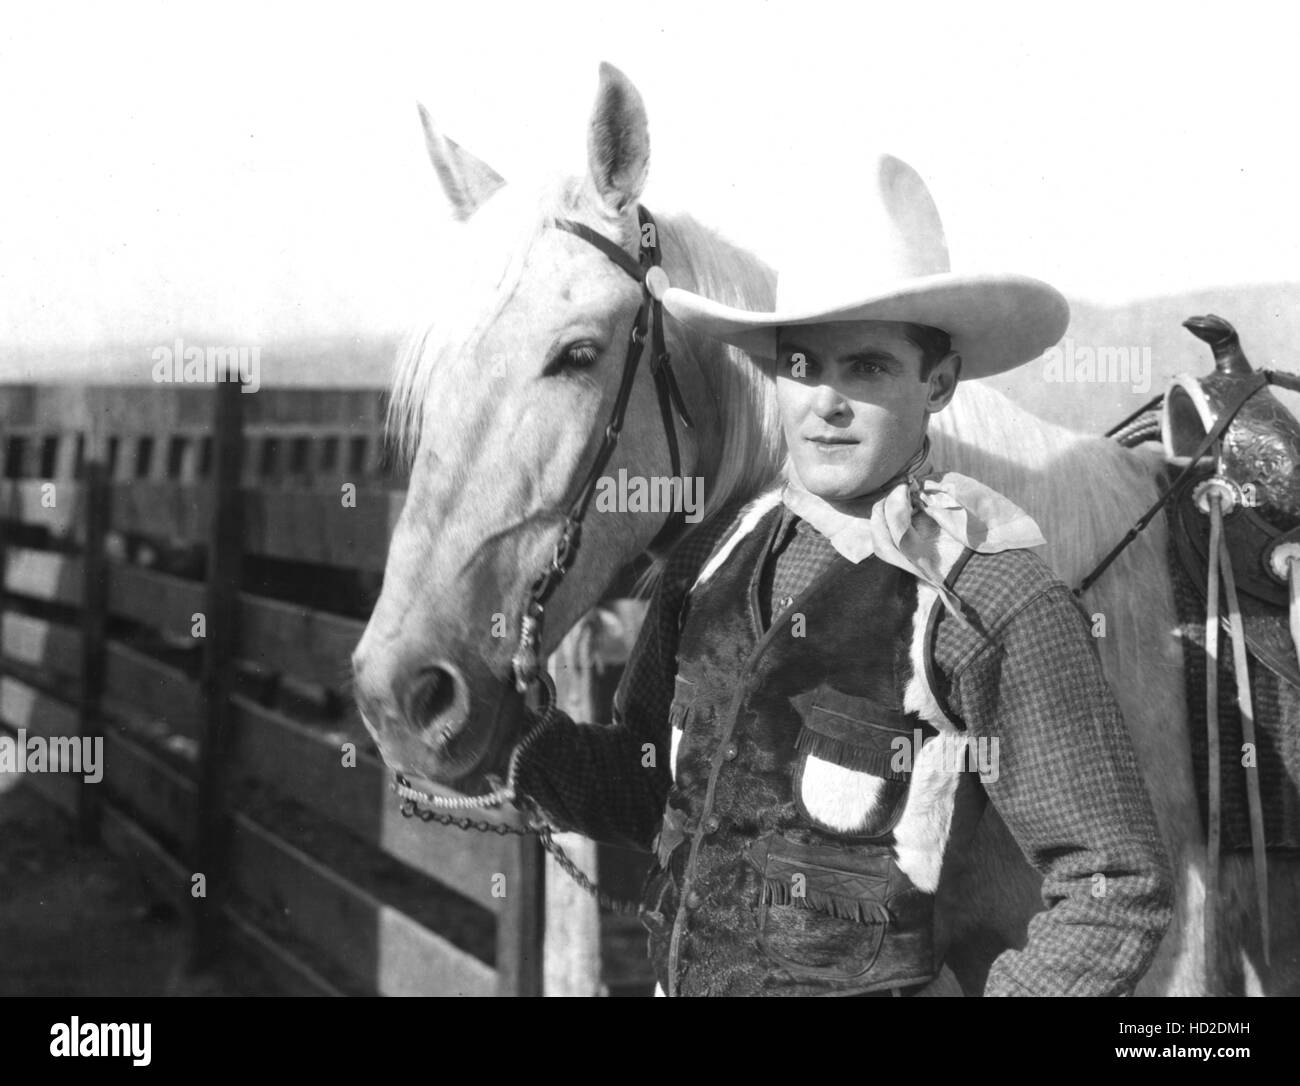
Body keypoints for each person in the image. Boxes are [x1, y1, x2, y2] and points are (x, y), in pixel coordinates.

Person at [509, 154, 1173, 996]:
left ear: (937, 384)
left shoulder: (989, 597)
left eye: (866, 368)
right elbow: (652, 788)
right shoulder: (708, 563)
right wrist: (517, 743)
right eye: (801, 366)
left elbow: (1115, 883)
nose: (825, 402)